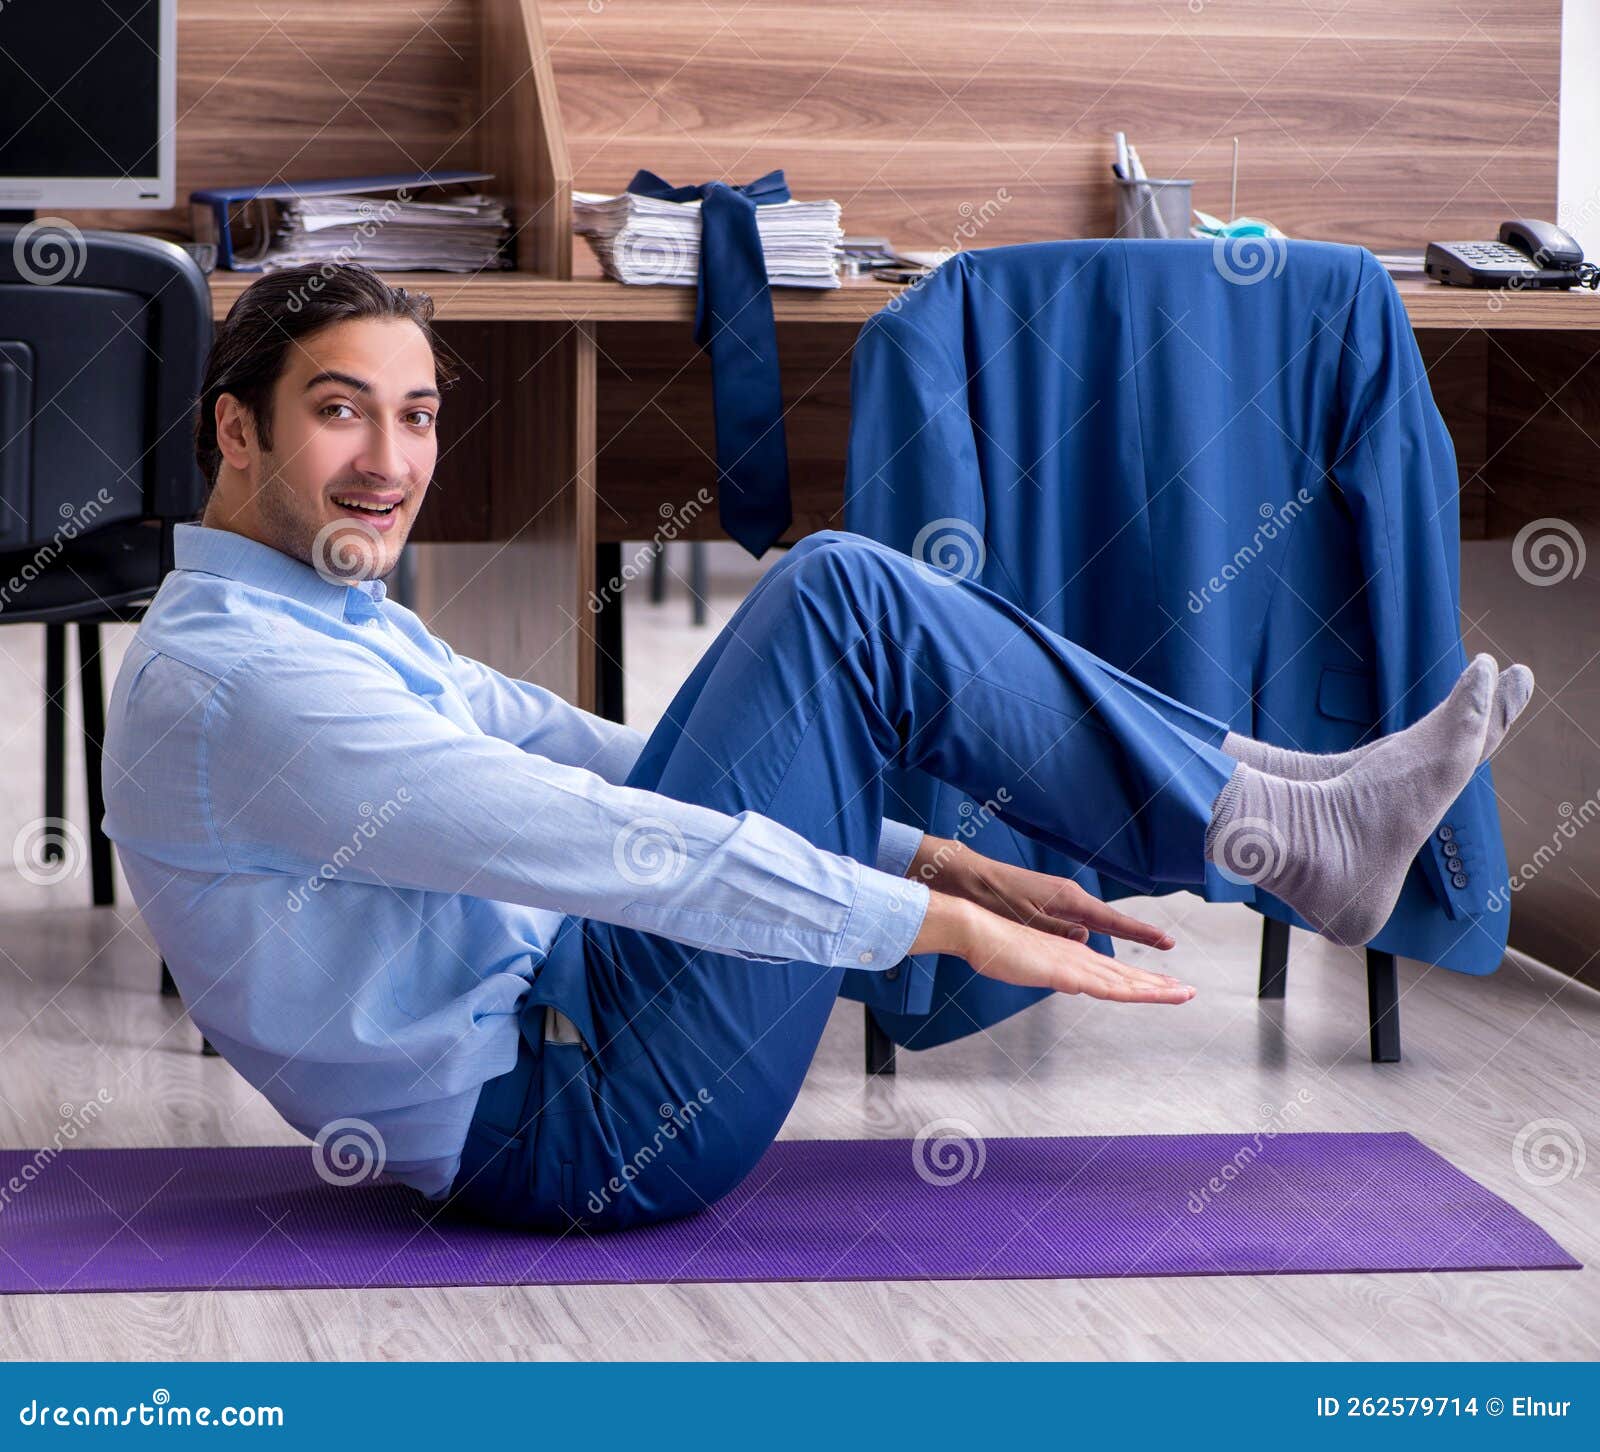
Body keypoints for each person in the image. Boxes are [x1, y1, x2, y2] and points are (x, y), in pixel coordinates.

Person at [102, 264, 1533, 1234]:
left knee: (837, 590)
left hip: (579, 1020)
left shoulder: (302, 614)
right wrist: (933, 924)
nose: (394, 464)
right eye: (340, 412)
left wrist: (940, 850)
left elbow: (569, 743)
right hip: (576, 1121)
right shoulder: (244, 684)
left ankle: (1270, 809)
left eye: (414, 417)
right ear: (237, 428)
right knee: (838, 593)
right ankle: (1265, 821)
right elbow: (593, 839)